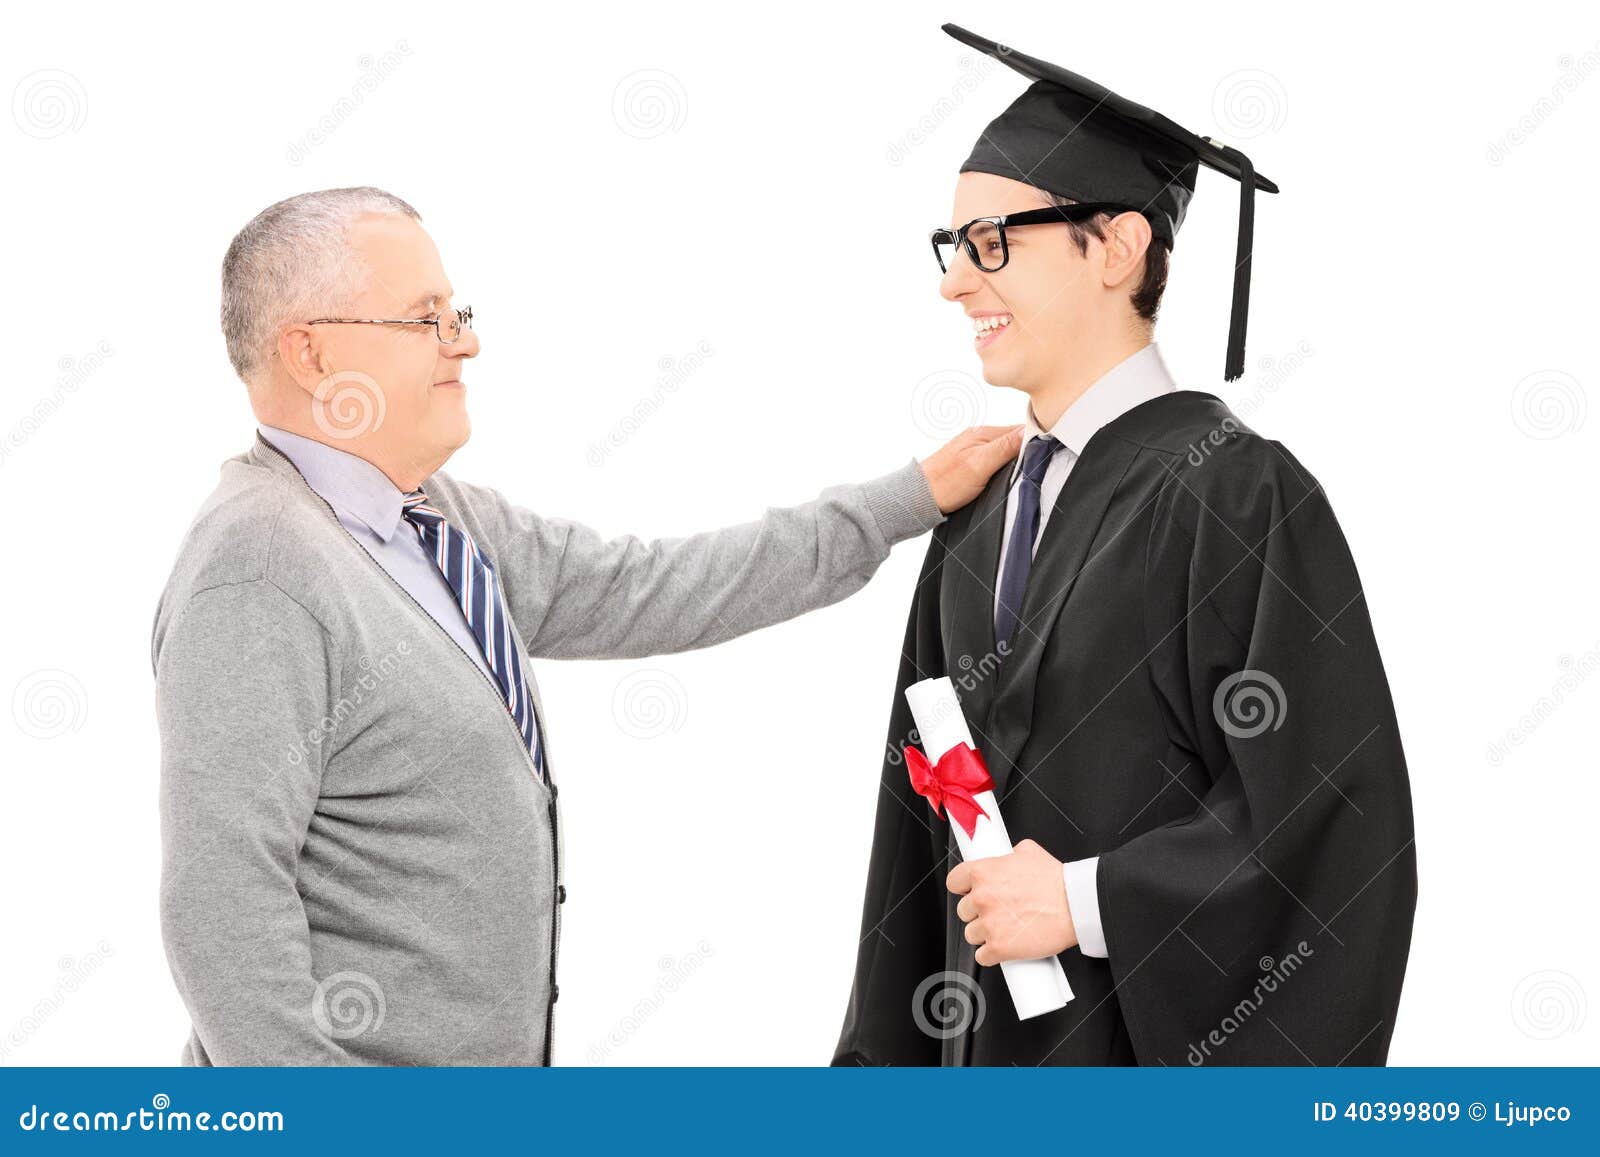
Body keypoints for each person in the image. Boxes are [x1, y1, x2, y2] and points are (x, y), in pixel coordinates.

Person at [153, 186, 1018, 1065]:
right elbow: (222, 906)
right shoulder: (260, 568)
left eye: (458, 313)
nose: (467, 341)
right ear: (310, 352)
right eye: (428, 320)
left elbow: (656, 586)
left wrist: (901, 500)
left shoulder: (440, 520)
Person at [834, 25, 1417, 1066]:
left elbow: (1331, 834)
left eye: (992, 241)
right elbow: (913, 870)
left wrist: (1083, 898)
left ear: (1115, 246)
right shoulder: (977, 517)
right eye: (951, 244)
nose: (954, 284)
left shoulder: (1235, 495)